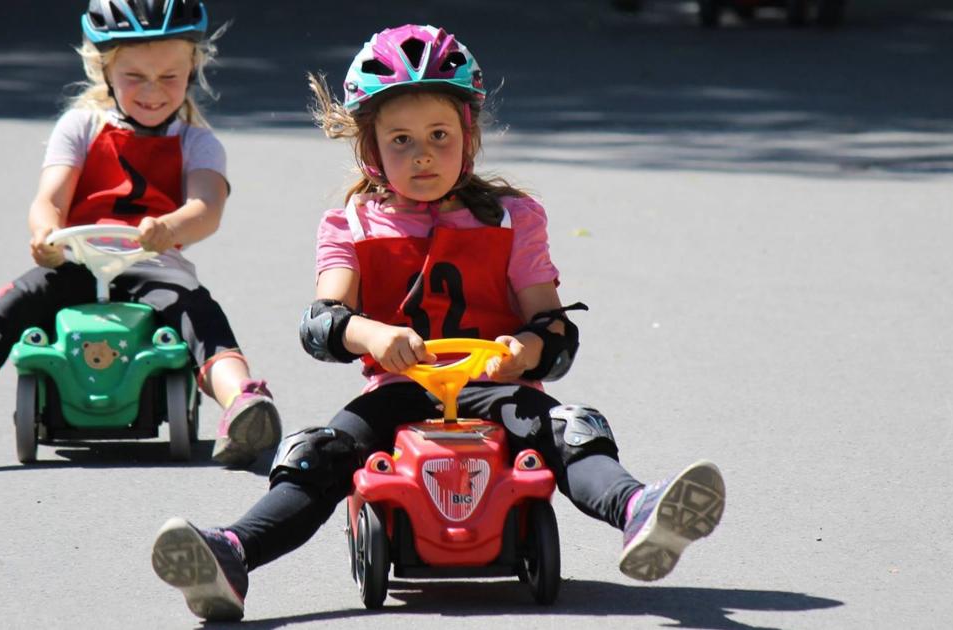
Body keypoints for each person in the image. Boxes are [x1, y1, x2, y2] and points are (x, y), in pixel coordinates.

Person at [150, 24, 726, 621]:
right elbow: (322, 321)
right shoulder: (351, 224)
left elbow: (553, 326)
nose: (422, 153)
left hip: (497, 387)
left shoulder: (513, 219)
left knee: (568, 430)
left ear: (467, 139)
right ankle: (235, 552)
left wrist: (524, 350)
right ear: (371, 150)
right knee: (318, 454)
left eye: (439, 135)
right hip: (399, 391)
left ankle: (637, 509)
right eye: (400, 139)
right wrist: (373, 334)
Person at [0, 0, 281, 470]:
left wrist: (168, 228)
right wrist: (46, 235)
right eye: (135, 76)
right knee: (9, 307)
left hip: (153, 262)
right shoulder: (80, 127)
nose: (153, 92)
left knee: (198, 316)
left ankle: (242, 401)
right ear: (105, 69)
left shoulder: (198, 143)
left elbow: (207, 208)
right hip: (76, 257)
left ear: (192, 68)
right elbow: (49, 199)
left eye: (169, 76)